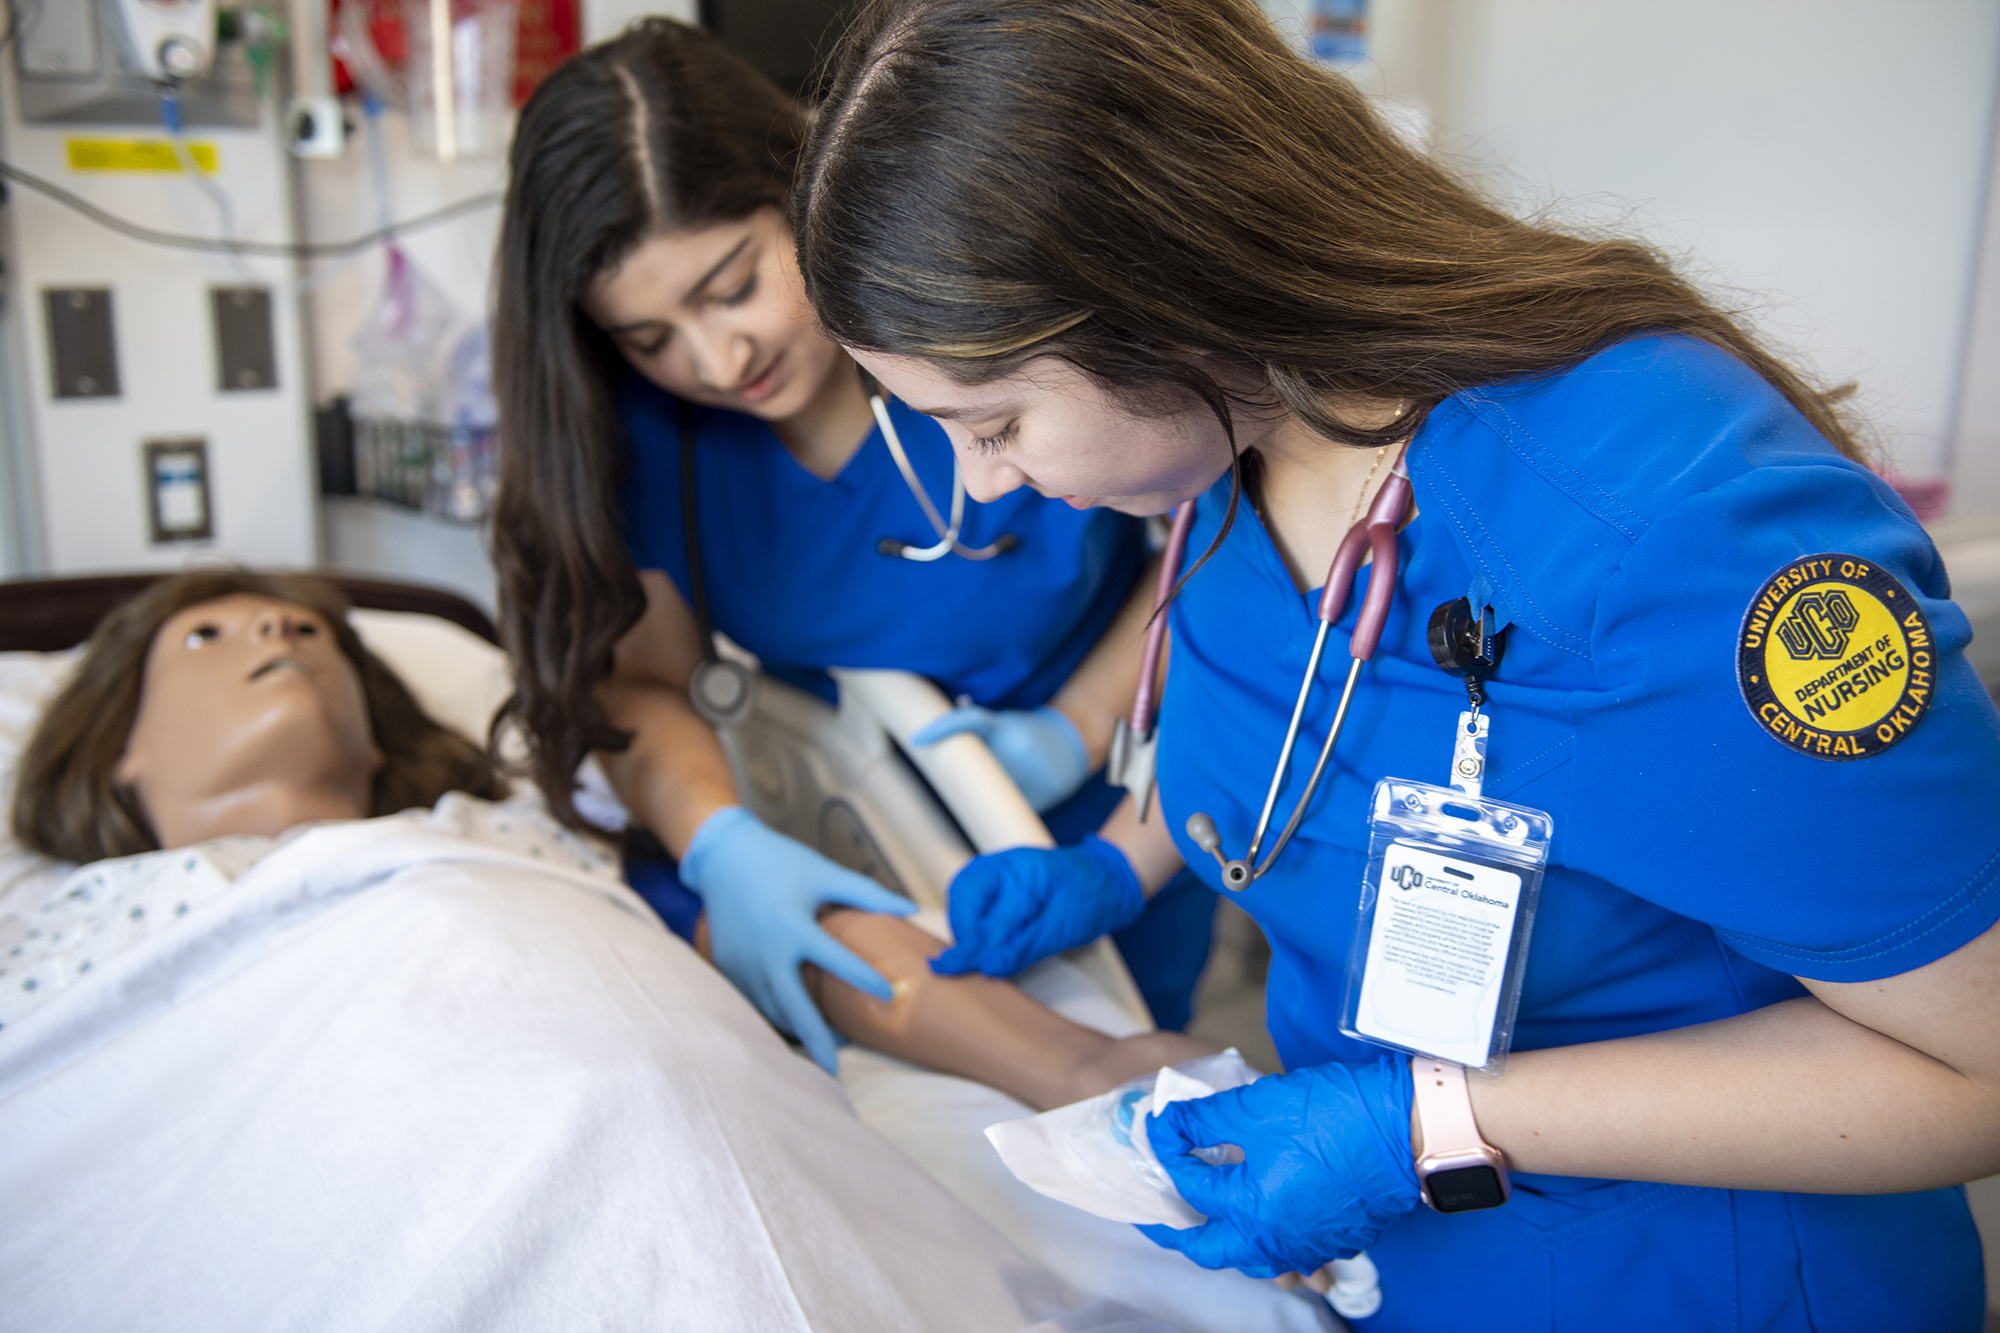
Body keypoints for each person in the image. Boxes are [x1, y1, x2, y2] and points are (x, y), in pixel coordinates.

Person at [789, 1, 2000, 1328]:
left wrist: (1427, 1122)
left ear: (1161, 297)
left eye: (998, 421)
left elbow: (1979, 1065)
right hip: (1423, 1263)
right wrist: (1118, 862)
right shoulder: (1236, 447)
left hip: (1711, 1280)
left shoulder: (1665, 535)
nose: (985, 480)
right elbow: (1339, 742)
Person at [3, 568, 1342, 1333]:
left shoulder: (499, 835)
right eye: (216, 631)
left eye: (312, 631)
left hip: (669, 1143)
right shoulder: (64, 927)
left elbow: (812, 950)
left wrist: (1094, 1060)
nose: (283, 637)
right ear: (112, 738)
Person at [486, 18, 1215, 1070]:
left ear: (805, 189)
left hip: (1124, 789)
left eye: (730, 286)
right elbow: (643, 683)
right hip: (849, 814)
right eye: (649, 340)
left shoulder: (983, 302)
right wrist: (723, 846)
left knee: (1127, 1069)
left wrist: (1071, 727)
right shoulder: (658, 445)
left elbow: (1213, 542)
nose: (713, 355)